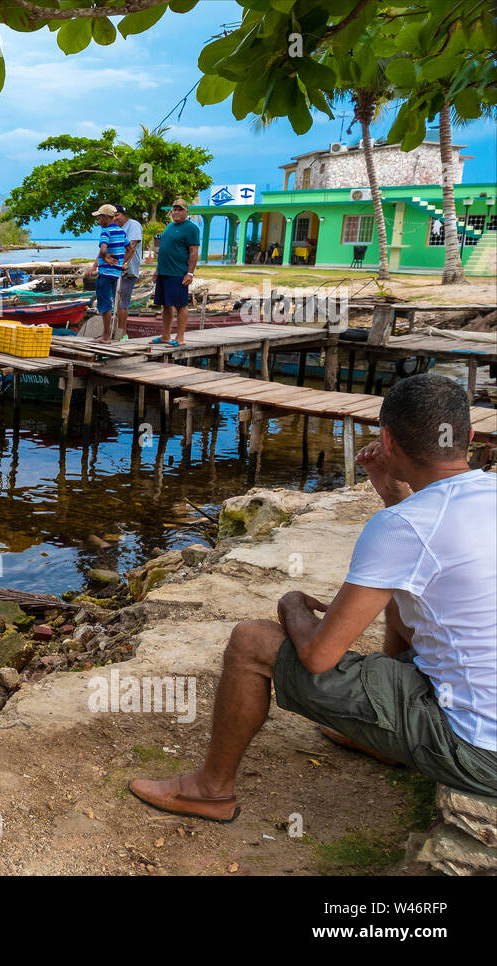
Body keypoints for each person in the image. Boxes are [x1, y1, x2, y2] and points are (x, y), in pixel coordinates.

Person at [129, 374, 497, 821]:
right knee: (403, 594)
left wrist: (292, 608)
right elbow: (433, 536)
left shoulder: (402, 527)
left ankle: (210, 791)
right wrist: (395, 496)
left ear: (386, 439)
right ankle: (377, 735)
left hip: (477, 750)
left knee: (250, 642)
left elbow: (320, 657)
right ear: (470, 436)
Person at [151, 199, 199, 347]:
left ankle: (180, 338)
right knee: (165, 305)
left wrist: (190, 273)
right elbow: (164, 249)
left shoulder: (191, 228)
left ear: (186, 211)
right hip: (164, 272)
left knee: (181, 305)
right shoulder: (169, 226)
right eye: (174, 209)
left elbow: (194, 252)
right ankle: (166, 336)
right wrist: (157, 270)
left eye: (180, 209)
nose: (176, 212)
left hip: (178, 273)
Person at [83, 203, 126, 343]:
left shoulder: (105, 232)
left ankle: (106, 336)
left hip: (105, 273)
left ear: (107, 218)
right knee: (111, 302)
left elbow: (102, 249)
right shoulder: (121, 231)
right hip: (115, 274)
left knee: (104, 304)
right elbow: (130, 248)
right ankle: (106, 334)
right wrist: (122, 263)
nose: (98, 220)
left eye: (100, 217)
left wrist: (106, 257)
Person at [113, 204, 142, 342]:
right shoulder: (114, 228)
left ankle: (123, 334)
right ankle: (114, 332)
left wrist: (121, 265)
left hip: (127, 271)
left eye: (116, 215)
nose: (114, 218)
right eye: (112, 216)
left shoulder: (133, 225)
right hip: (114, 271)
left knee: (122, 303)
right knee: (114, 302)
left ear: (124, 214)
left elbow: (132, 245)